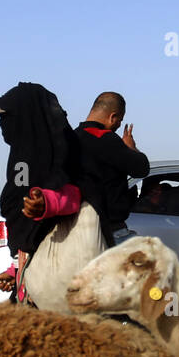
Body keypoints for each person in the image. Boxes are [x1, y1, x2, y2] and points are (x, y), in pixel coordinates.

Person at [0, 83, 82, 300]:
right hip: (33, 276)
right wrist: (15, 269)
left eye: (6, 115)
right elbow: (24, 222)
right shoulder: (21, 156)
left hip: (58, 284)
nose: (1, 121)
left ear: (27, 117)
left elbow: (77, 196)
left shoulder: (62, 155)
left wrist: (48, 203)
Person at [74, 91, 150, 247]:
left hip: (77, 232)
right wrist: (130, 148)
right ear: (112, 116)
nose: (118, 125)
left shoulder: (72, 137)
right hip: (110, 232)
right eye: (119, 121)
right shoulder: (106, 139)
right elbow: (141, 169)